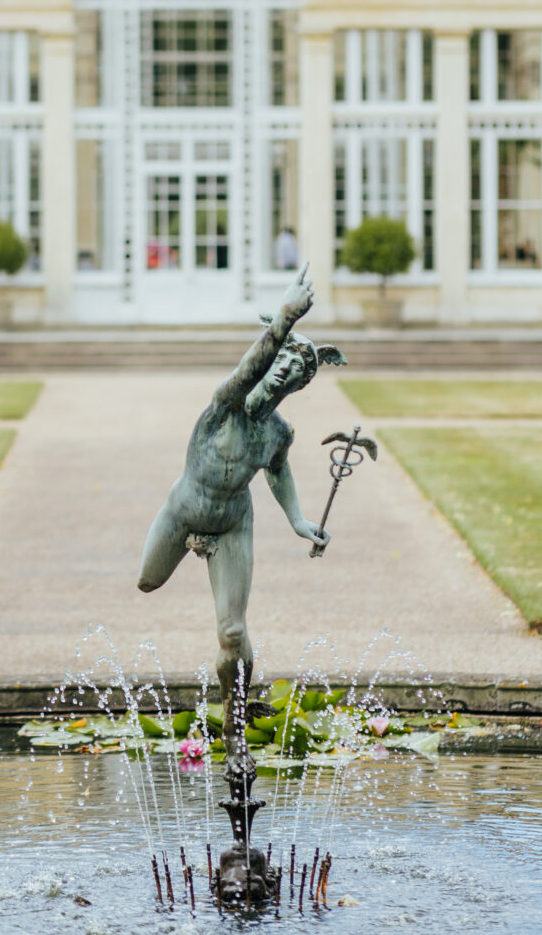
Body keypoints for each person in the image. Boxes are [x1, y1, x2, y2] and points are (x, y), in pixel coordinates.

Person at [137, 264, 345, 742]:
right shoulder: (227, 404)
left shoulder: (278, 432)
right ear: (271, 365)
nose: (286, 377)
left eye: (297, 376)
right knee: (147, 582)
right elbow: (247, 368)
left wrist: (297, 519)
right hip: (184, 509)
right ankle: (240, 687)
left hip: (232, 524)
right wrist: (282, 325)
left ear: (298, 388)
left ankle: (236, 708)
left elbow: (278, 467)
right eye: (284, 366)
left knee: (232, 633)